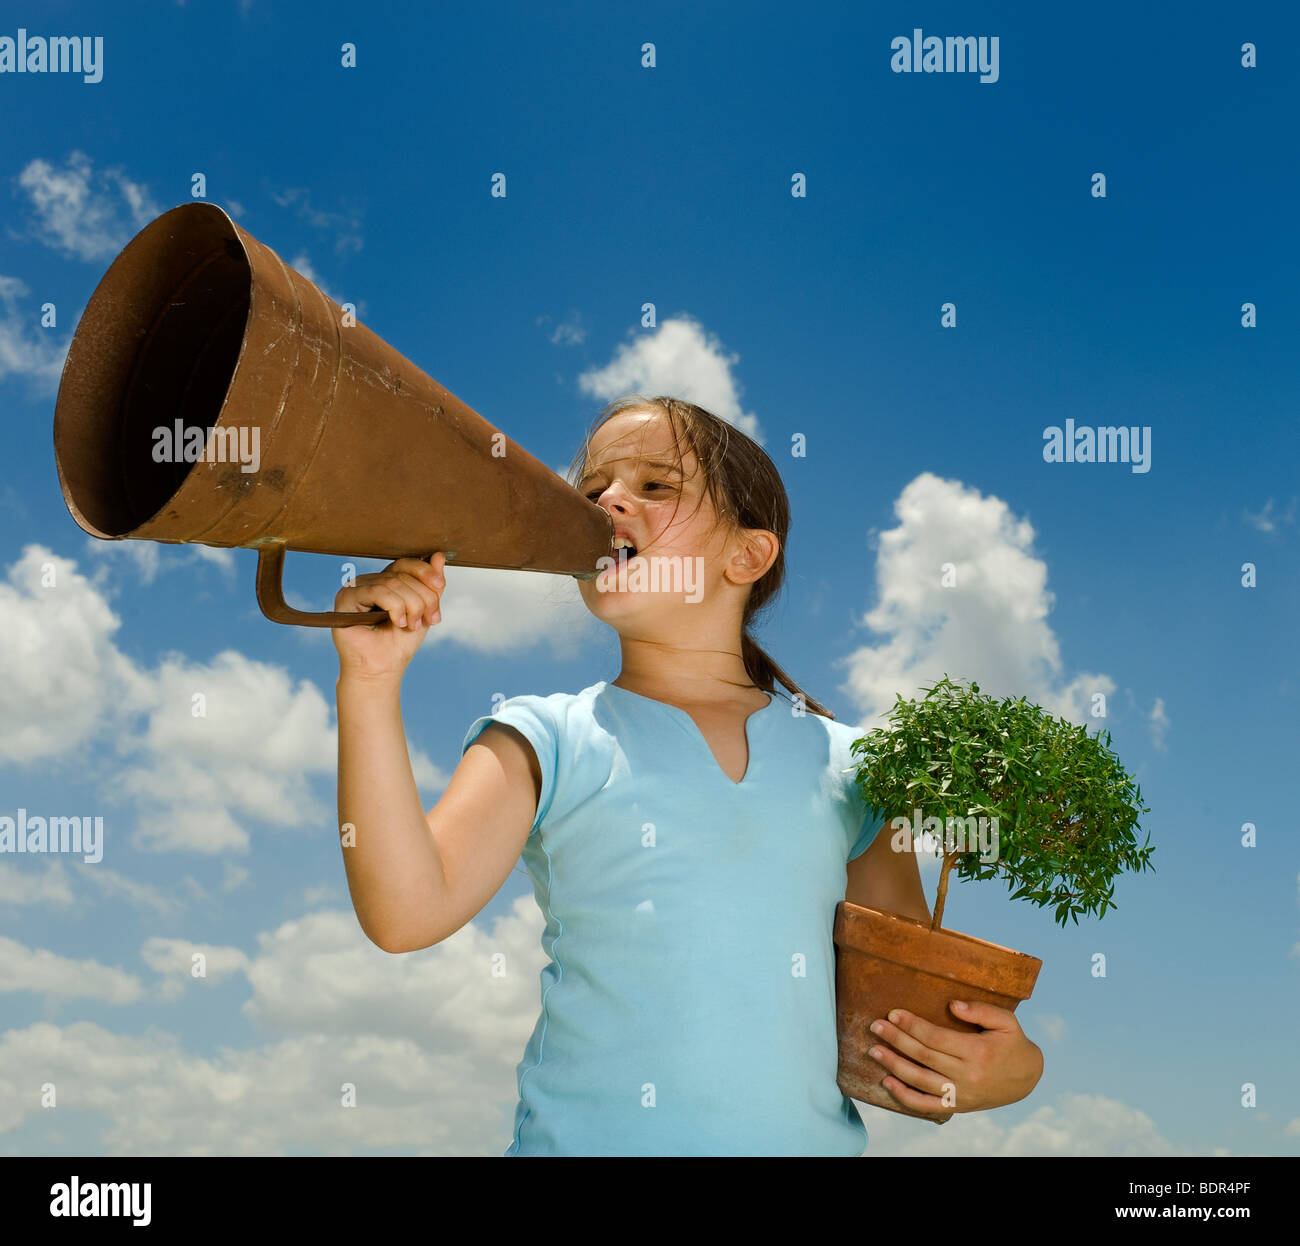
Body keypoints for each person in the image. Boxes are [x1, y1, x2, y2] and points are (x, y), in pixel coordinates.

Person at [333, 395, 1043, 1156]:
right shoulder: (545, 738)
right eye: (593, 488)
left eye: (655, 486)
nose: (609, 500)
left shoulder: (860, 771)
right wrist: (368, 685)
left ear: (748, 556)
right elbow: (406, 915)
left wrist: (1012, 1071)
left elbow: (900, 1021)